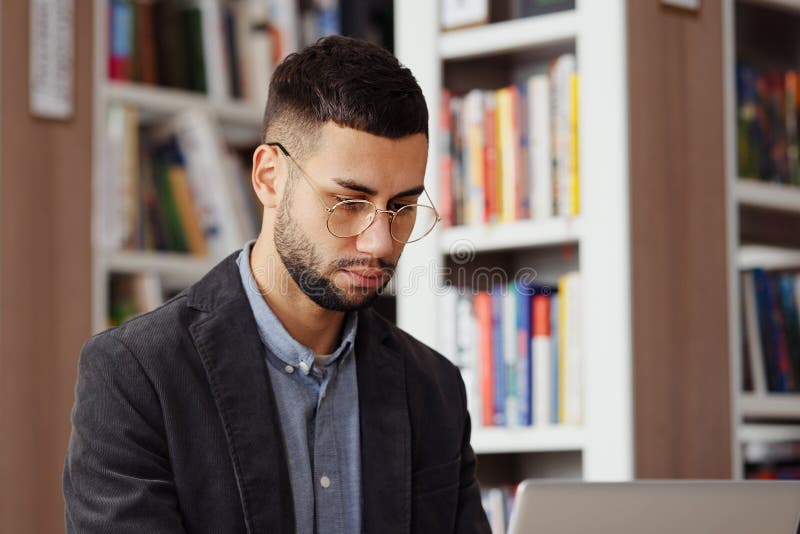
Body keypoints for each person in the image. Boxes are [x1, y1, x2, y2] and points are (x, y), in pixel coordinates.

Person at [63, 35, 490, 534]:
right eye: (348, 203)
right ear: (269, 177)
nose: (379, 242)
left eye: (401, 207)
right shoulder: (137, 375)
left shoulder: (433, 389)